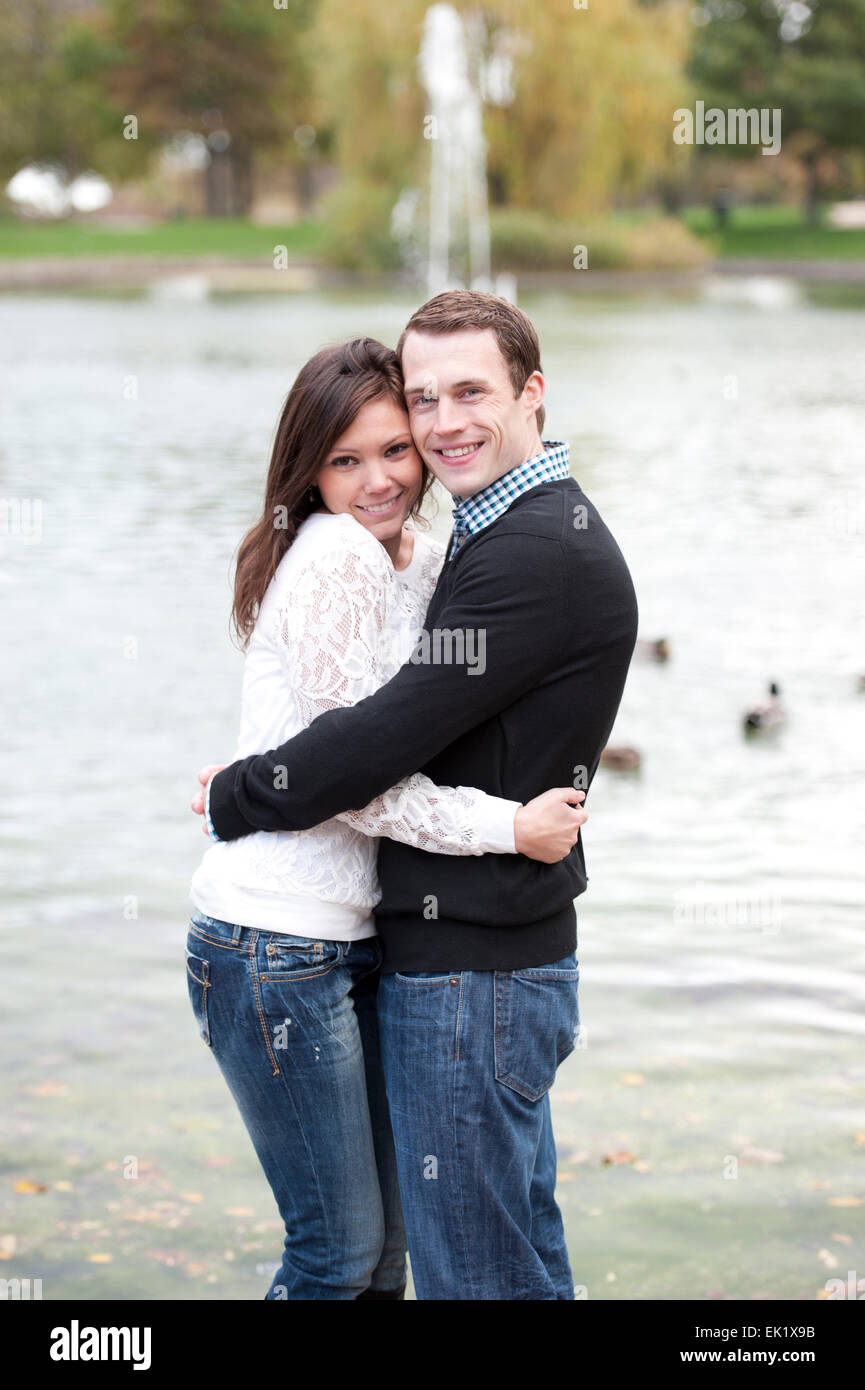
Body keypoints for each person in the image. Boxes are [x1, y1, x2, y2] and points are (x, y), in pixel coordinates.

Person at [195, 293, 639, 1299]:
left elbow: (369, 745)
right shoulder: (476, 536)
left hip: (471, 971)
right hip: (388, 947)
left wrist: (243, 790)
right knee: (425, 1258)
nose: (438, 431)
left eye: (468, 393)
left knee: (458, 1268)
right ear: (309, 468)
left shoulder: (523, 550)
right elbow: (366, 737)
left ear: (532, 392)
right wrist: (258, 777)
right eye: (424, 399)